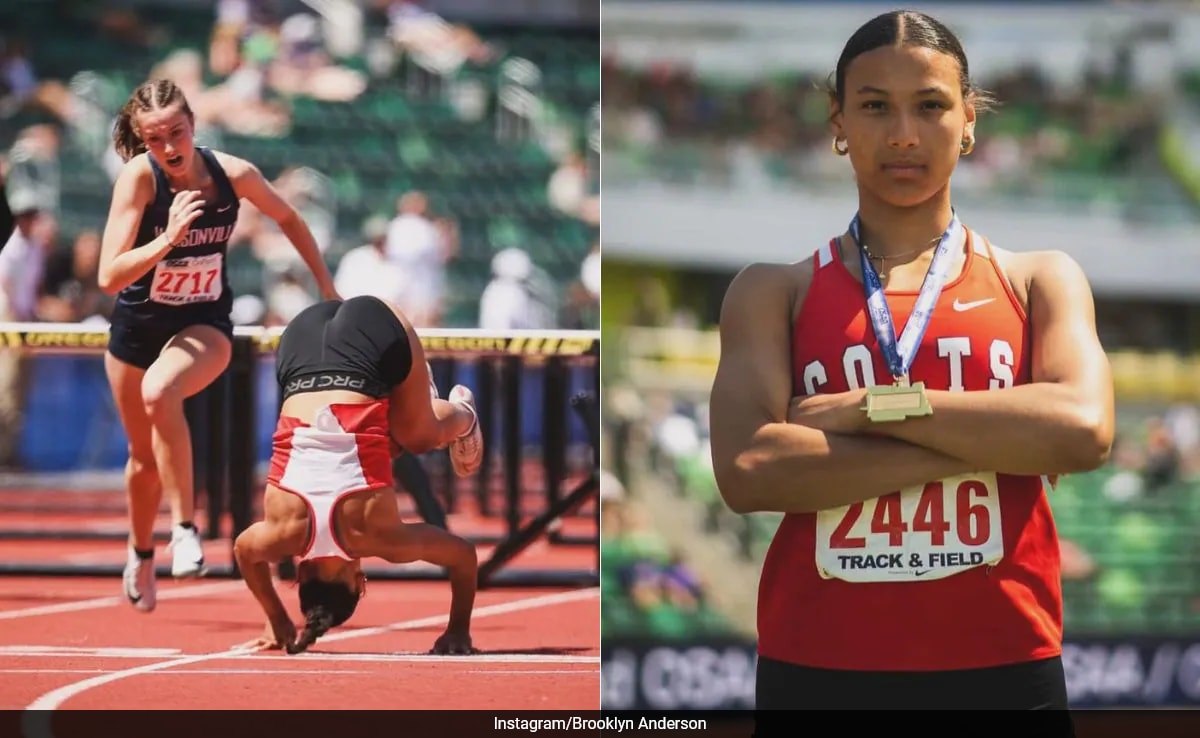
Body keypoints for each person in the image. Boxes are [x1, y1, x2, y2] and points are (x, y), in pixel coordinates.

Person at [708, 9, 1114, 718]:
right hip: (818, 667)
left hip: (1006, 664)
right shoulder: (773, 291)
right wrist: (997, 441)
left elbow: (1082, 432)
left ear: (969, 121)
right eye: (874, 107)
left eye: (930, 106)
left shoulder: (1039, 279)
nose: (903, 134)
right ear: (838, 122)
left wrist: (874, 409)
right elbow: (748, 473)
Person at [97, 78, 339, 612]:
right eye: (155, 139)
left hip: (203, 326)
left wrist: (325, 286)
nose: (169, 149)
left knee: (162, 393)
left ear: (194, 125)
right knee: (142, 460)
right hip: (137, 330)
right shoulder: (140, 179)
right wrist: (166, 241)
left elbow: (289, 217)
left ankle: (185, 528)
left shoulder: (234, 175)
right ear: (142, 141)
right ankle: (140, 550)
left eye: (176, 134)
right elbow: (108, 277)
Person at [232, 295, 483, 655]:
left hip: (378, 330)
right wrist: (276, 616)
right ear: (301, 575)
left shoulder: (381, 538)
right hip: (301, 332)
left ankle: (462, 414)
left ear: (359, 581)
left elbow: (463, 556)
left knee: (418, 438)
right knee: (388, 443)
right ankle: (408, 398)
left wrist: (458, 630)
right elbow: (243, 552)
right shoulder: (277, 537)